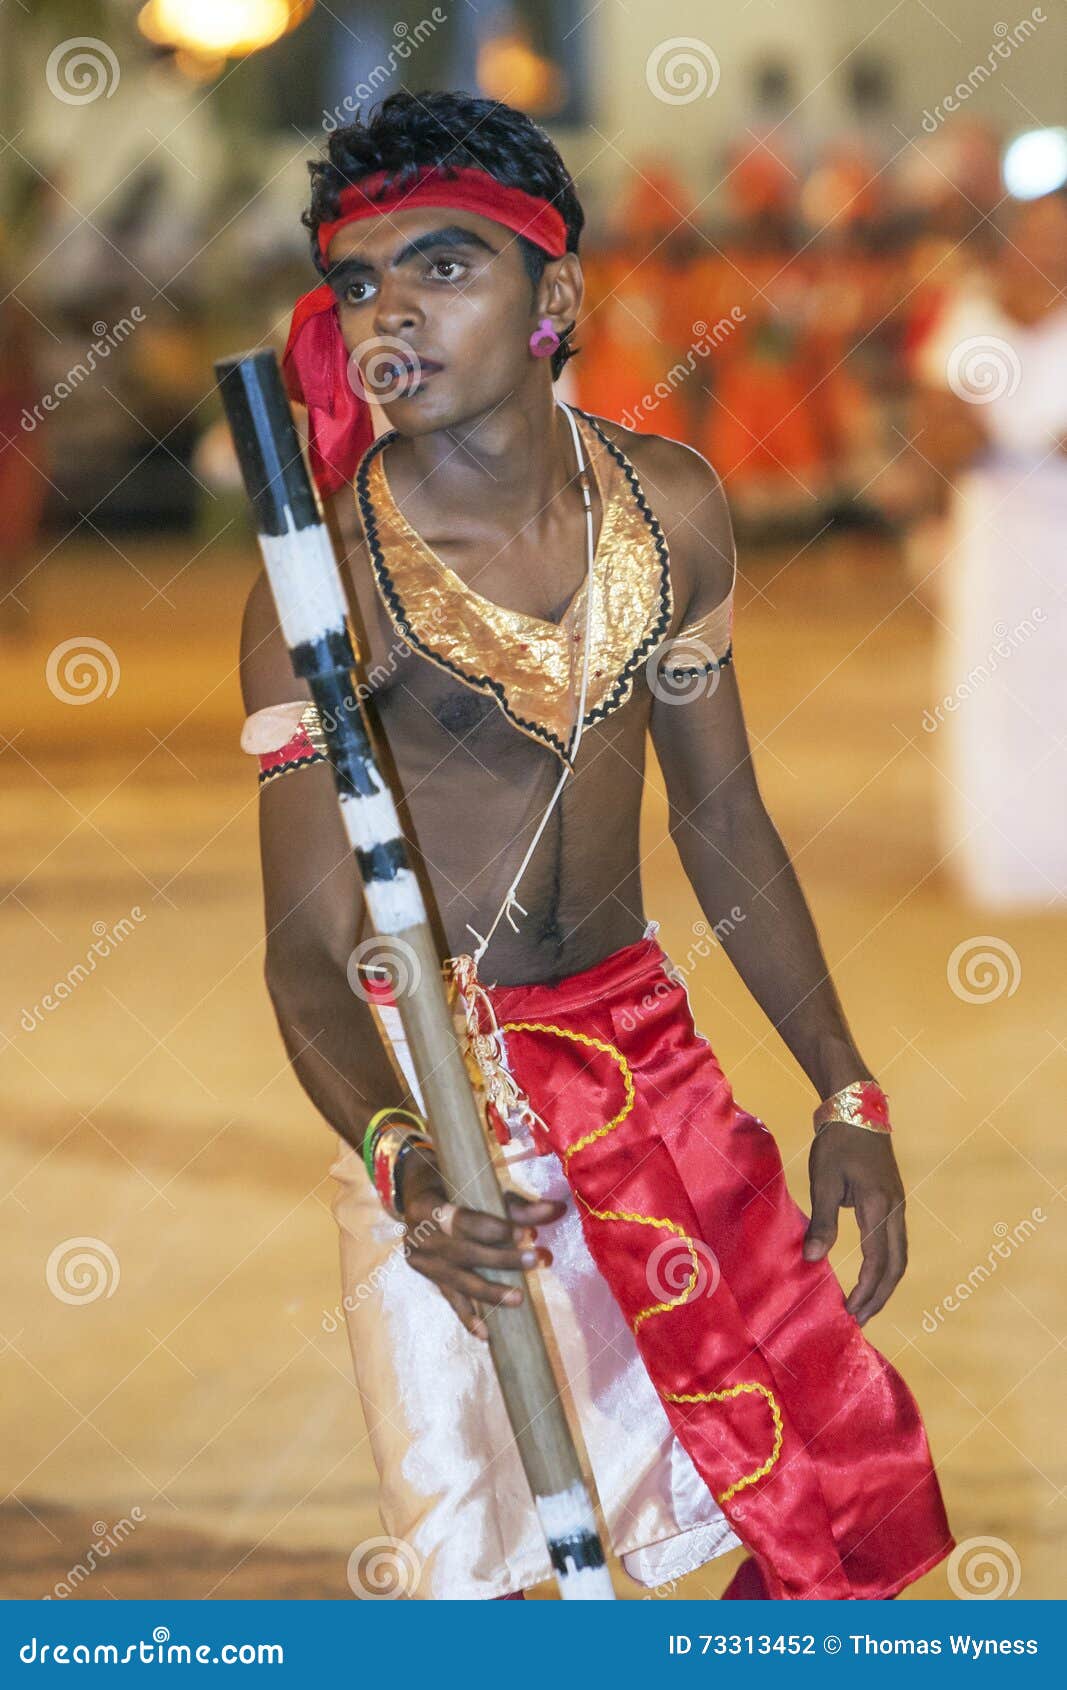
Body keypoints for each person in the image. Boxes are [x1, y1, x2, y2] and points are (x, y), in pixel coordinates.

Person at [238, 90, 954, 1601]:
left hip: (652, 1069)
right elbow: (308, 955)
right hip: (453, 1094)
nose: (392, 315)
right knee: (496, 1586)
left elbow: (722, 819)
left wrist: (847, 1083)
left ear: (554, 298)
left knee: (834, 1502)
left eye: (444, 269)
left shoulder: (672, 508)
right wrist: (407, 1166)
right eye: (360, 282)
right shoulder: (324, 592)